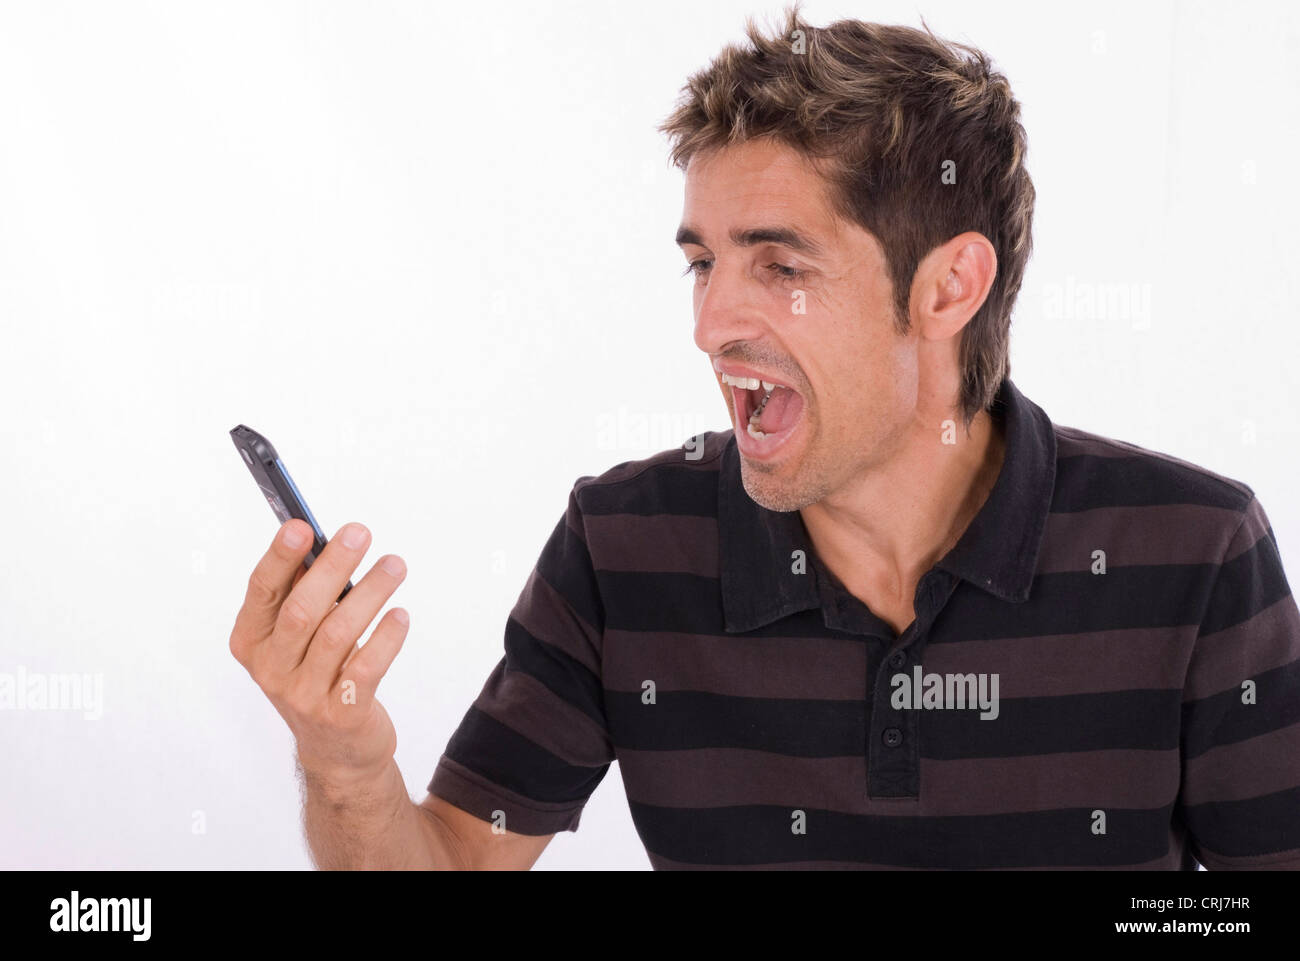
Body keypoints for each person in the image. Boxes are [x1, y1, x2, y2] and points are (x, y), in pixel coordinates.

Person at [228, 6, 1300, 869]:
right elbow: (455, 863)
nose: (707, 326)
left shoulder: (1194, 550)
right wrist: (344, 765)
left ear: (948, 286)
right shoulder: (622, 547)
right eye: (704, 262)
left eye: (779, 266)